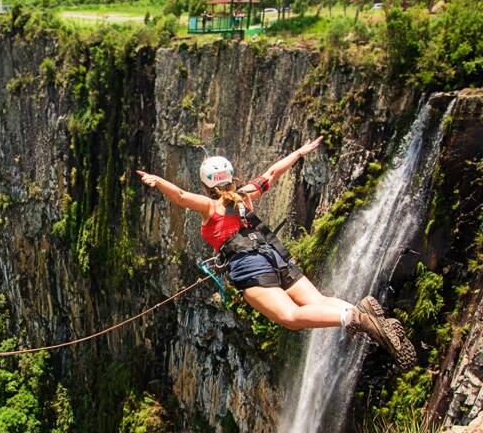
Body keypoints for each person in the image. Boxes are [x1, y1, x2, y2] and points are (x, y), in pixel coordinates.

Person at [136, 137, 416, 368]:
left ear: (207, 184)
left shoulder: (212, 207)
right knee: (317, 300)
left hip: (249, 266)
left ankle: (357, 320)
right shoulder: (245, 194)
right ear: (231, 177)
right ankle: (357, 310)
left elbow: (182, 198)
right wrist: (298, 152)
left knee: (290, 318)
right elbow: (272, 173)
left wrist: (157, 181)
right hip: (275, 255)